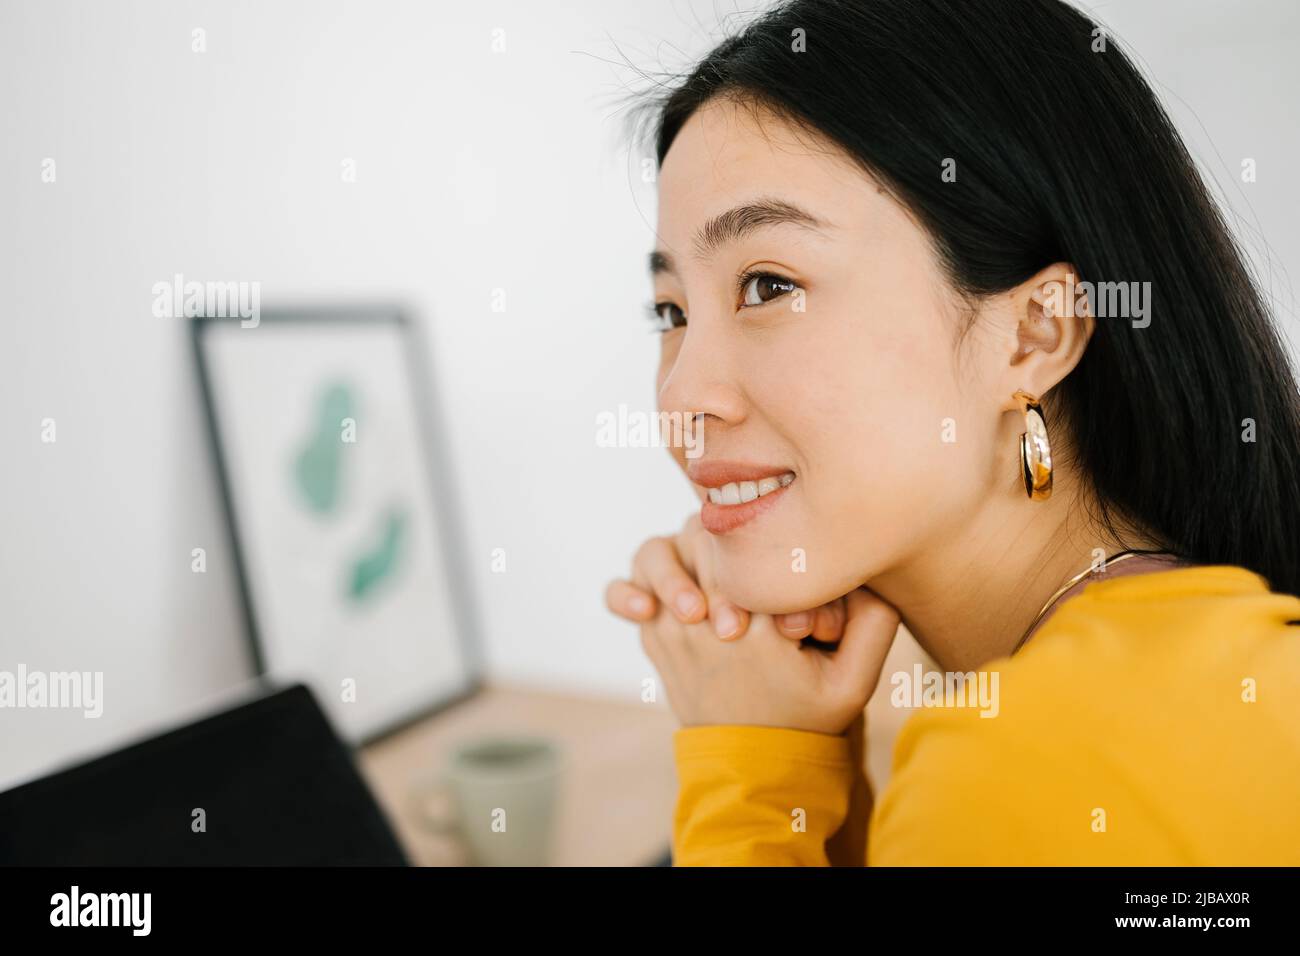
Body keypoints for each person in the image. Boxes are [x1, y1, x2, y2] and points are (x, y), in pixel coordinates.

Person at [604, 0, 1300, 865]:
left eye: (769, 285)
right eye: (670, 309)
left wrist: (749, 770)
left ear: (1036, 333)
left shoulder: (1024, 766)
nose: (680, 394)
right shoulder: (1182, 663)